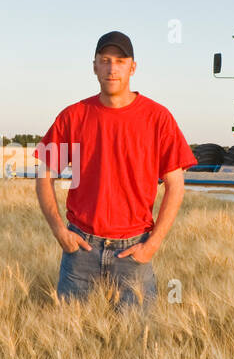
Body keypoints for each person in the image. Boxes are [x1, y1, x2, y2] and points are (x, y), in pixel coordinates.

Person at [34, 31, 198, 312]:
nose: (112, 68)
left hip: (133, 253)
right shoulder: (72, 117)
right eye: (105, 60)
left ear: (133, 67)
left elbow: (176, 185)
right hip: (80, 251)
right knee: (72, 344)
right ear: (94, 66)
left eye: (120, 61)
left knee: (136, 343)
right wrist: (60, 231)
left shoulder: (158, 118)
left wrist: (152, 245)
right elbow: (43, 176)